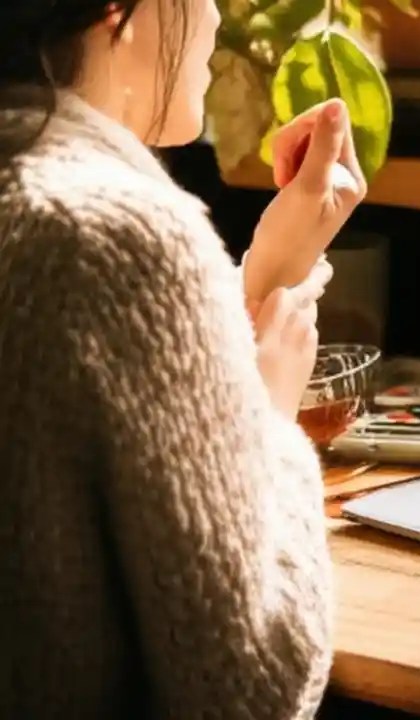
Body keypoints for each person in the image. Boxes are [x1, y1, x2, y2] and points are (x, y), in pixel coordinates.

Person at [0, 0, 367, 717]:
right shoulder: (104, 234)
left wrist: (266, 282)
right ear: (119, 11)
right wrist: (268, 420)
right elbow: (253, 688)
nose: (217, 16)